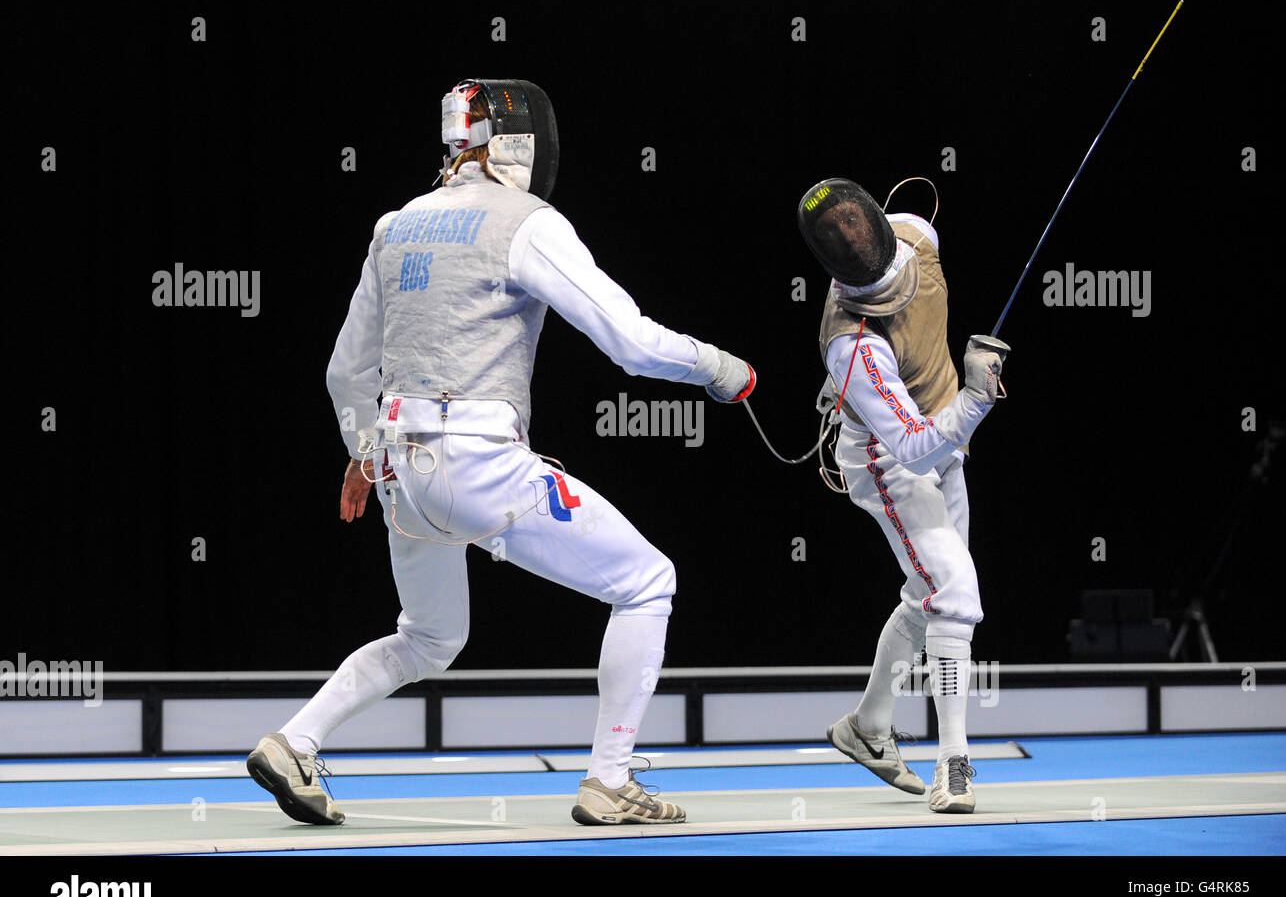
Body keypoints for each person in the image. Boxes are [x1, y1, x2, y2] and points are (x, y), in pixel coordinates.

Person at [246, 79, 755, 827]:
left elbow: (343, 372)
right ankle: (609, 782)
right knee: (647, 581)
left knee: (429, 636)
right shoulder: (529, 222)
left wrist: (361, 455)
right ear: (522, 145)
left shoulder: (397, 223)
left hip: (397, 468)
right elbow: (630, 341)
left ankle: (295, 740)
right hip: (477, 461)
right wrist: (718, 367)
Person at [797, 178, 1008, 813]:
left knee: (929, 596)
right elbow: (915, 447)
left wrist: (961, 406)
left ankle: (866, 726)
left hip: (945, 443)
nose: (857, 241)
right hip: (890, 463)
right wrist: (974, 401)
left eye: (862, 227)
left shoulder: (917, 233)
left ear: (885, 223)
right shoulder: (852, 343)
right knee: (955, 593)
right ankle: (954, 763)